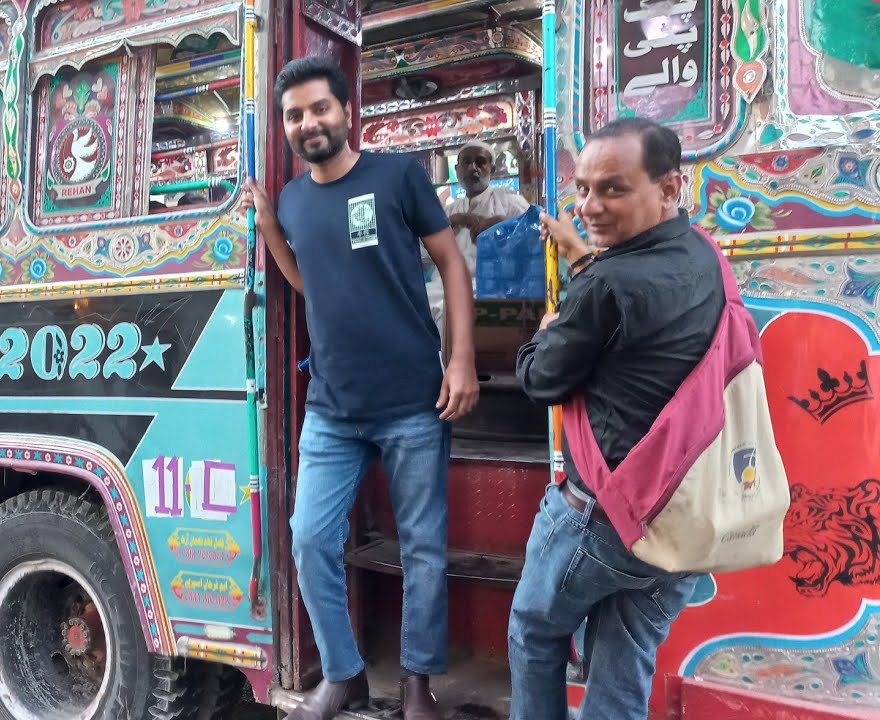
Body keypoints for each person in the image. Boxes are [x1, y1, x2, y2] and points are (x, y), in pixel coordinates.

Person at [240, 55, 479, 720]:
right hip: (332, 409)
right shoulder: (290, 198)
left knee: (423, 547)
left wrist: (460, 360)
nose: (308, 123)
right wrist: (267, 230)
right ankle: (342, 674)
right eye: (295, 115)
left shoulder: (397, 175)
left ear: (346, 113)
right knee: (310, 537)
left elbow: (451, 263)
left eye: (319, 108)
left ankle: (416, 684)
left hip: (414, 401)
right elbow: (307, 283)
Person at [509, 118, 725, 720]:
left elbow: (538, 378)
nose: (590, 207)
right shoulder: (702, 255)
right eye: (583, 189)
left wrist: (548, 329)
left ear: (668, 187)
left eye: (613, 189)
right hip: (683, 514)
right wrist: (582, 264)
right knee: (623, 658)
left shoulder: (606, 284)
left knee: (534, 628)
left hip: (604, 517)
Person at [424, 141, 529, 357]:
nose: (473, 168)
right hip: (443, 285)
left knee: (450, 308)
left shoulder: (509, 201)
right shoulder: (447, 211)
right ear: (457, 170)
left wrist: (495, 225)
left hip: (493, 286)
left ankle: (453, 372)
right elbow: (424, 255)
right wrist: (452, 224)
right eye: (466, 162)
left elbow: (531, 239)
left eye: (480, 162)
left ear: (492, 168)